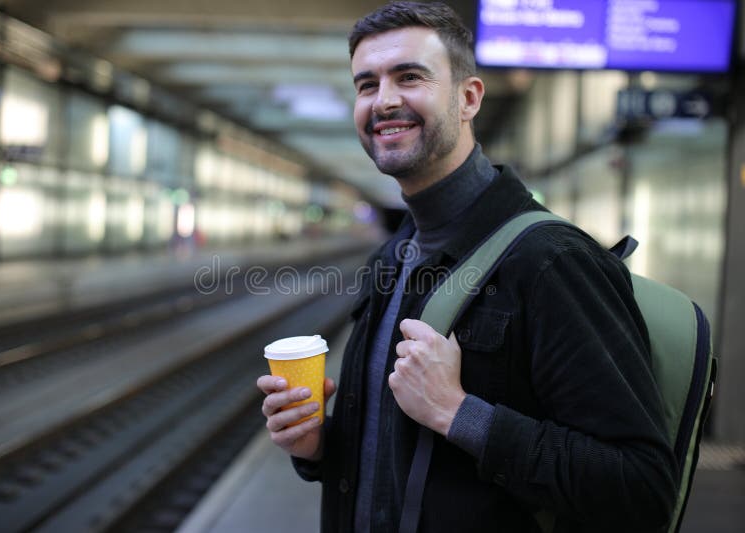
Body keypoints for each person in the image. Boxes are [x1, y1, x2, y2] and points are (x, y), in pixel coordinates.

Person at [256, 2, 678, 532]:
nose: (384, 100)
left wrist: (459, 413)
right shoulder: (395, 255)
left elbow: (642, 488)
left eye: (409, 77)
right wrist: (318, 446)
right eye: (367, 85)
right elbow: (392, 462)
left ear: (468, 98)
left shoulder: (552, 262)